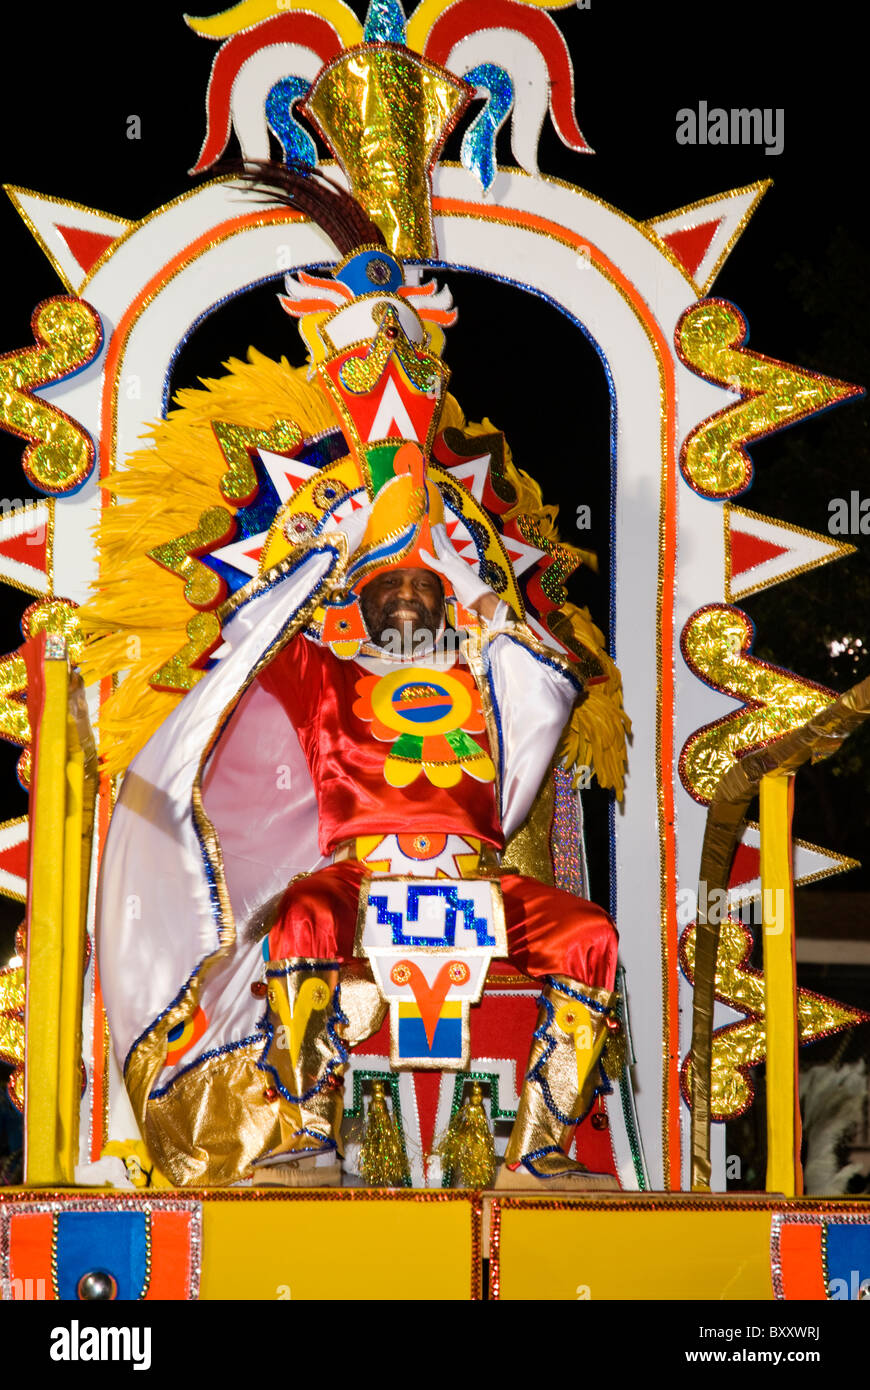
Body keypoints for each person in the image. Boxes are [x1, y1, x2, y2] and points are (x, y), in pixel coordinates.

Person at [251, 535, 621, 1189]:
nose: (404, 597)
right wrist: (327, 545)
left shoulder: (488, 682)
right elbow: (253, 629)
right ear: (357, 600)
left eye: (422, 585)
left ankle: (536, 1152)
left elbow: (553, 673)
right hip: (361, 877)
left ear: (445, 600)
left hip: (475, 878)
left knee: (589, 936)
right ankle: (309, 1136)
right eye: (386, 585)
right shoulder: (325, 677)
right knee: (304, 910)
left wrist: (456, 564)